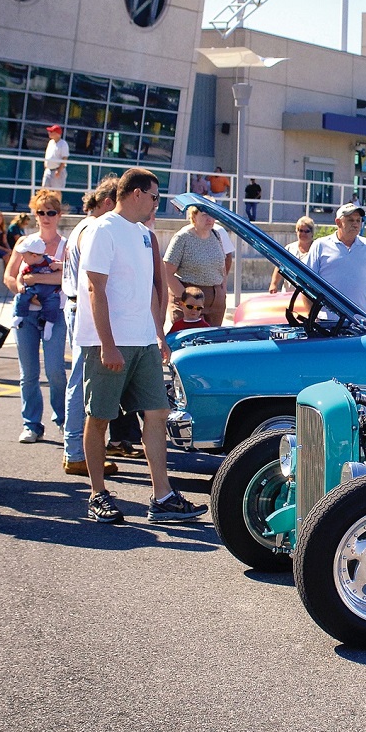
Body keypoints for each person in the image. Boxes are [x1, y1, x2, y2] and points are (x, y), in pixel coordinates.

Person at [76, 167, 207, 524]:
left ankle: (162, 496)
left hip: (144, 340)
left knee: (157, 413)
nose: (156, 202)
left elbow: (152, 289)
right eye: (154, 196)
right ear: (135, 194)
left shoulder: (144, 235)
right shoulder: (103, 229)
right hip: (109, 343)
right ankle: (97, 494)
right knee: (99, 417)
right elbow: (94, 290)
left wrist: (159, 336)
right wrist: (108, 344)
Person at [60, 177, 120, 479]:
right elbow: (96, 280)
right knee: (81, 381)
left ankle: (80, 448)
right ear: (108, 202)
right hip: (83, 309)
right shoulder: (92, 229)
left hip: (75, 305)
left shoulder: (81, 228)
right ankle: (75, 451)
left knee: (81, 380)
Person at [4, 189, 67, 444]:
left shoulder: (66, 245)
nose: (45, 217)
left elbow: (67, 278)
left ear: (59, 214)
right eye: (41, 212)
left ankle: (63, 421)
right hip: (26, 313)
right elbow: (9, 275)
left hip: (54, 313)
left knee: (55, 370)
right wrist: (21, 289)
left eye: (51, 212)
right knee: (28, 372)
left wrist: (33, 279)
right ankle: (31, 424)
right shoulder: (25, 243)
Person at [303, 202, 366, 316]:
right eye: (350, 220)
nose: (356, 224)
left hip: (362, 321)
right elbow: (306, 282)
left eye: (358, 220)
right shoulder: (320, 245)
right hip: (328, 323)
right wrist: (311, 315)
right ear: (338, 222)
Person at [164, 205, 230, 327]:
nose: (210, 219)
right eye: (205, 215)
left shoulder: (216, 235)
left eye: (212, 215)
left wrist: (222, 290)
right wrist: (186, 299)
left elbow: (222, 267)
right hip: (190, 305)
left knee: (213, 343)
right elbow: (167, 272)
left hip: (215, 304)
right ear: (194, 216)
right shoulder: (182, 237)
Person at [270, 216, 315, 293]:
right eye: (300, 231)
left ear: (312, 233)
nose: (303, 233)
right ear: (296, 232)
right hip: (288, 293)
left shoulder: (316, 249)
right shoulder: (289, 248)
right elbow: (279, 267)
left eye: (306, 231)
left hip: (309, 296)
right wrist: (274, 284)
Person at [42, 124, 69, 192]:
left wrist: (59, 171)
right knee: (44, 191)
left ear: (57, 133)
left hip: (57, 171)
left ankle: (57, 203)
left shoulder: (63, 144)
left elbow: (64, 158)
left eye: (51, 132)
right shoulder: (51, 142)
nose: (49, 133)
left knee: (56, 192)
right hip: (48, 170)